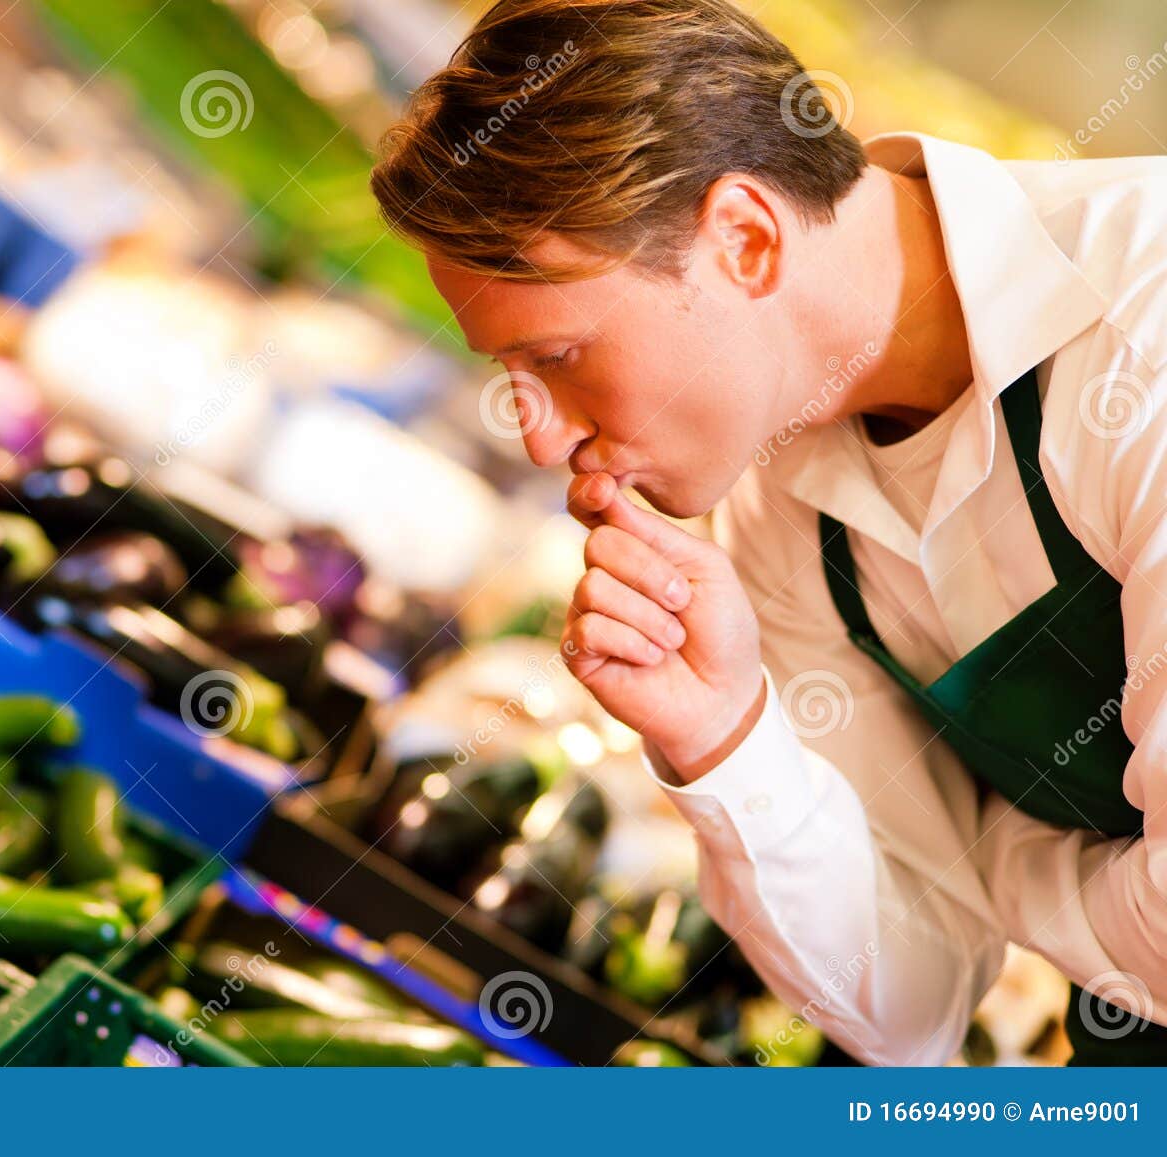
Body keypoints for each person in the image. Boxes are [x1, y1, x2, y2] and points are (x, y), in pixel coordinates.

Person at [370, 0, 1167, 1066]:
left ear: (743, 238)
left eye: (554, 357)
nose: (538, 438)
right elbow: (914, 1005)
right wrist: (724, 740)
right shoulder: (773, 516)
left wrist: (1000, 872)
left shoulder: (1142, 336)